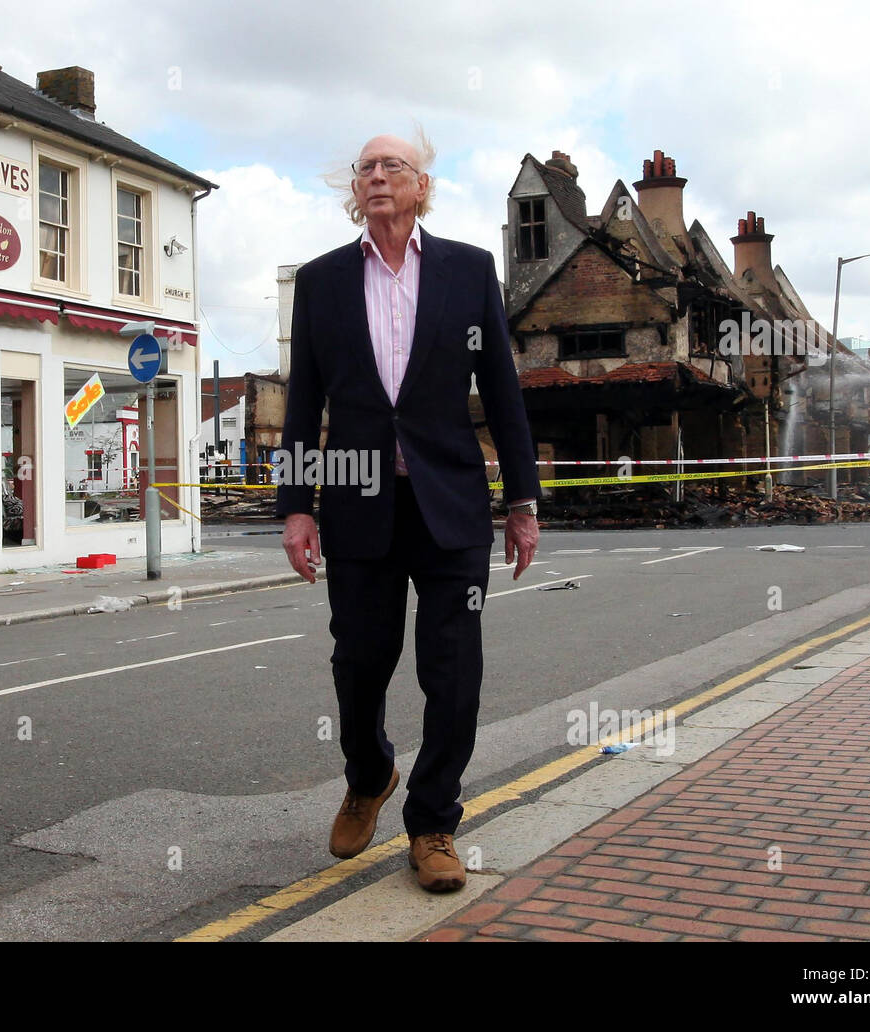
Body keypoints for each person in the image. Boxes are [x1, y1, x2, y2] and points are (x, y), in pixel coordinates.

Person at [276, 131, 540, 892]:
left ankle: (432, 824)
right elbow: (302, 406)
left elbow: (502, 391)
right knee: (359, 663)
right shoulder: (323, 281)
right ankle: (370, 776)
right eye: (366, 168)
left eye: (393, 166)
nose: (378, 176)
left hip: (450, 503)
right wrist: (297, 508)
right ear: (353, 192)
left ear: (422, 187)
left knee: (452, 671)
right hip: (358, 503)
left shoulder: (468, 270)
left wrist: (521, 502)